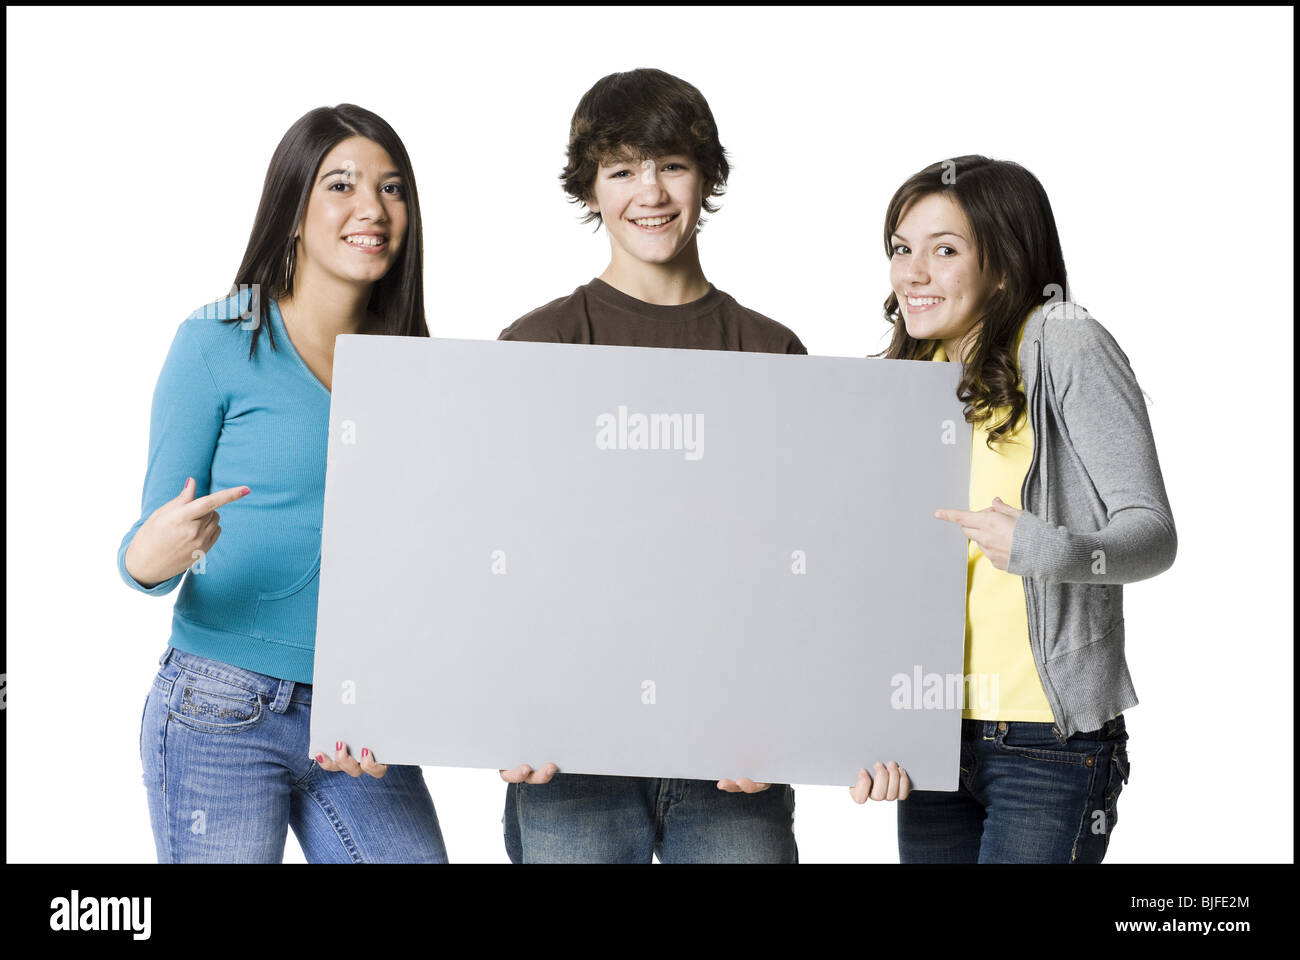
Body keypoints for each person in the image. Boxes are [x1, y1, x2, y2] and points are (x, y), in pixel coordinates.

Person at [496, 68, 905, 864]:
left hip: (734, 758)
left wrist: (800, 727)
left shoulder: (770, 350)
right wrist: (506, 713)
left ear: (707, 177)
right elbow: (502, 552)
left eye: (672, 165)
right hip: (573, 755)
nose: (649, 192)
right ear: (590, 191)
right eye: (621, 170)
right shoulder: (539, 345)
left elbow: (812, 562)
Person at [121, 104, 448, 862]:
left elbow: (427, 568)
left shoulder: (420, 369)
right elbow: (139, 561)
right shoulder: (216, 343)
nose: (372, 208)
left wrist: (394, 697)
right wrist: (160, 550)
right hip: (219, 706)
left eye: (393, 189)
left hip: (360, 718)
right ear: (293, 211)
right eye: (342, 185)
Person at [870, 155, 1176, 862]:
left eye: (943, 251)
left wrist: (1048, 548)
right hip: (931, 735)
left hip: (1046, 741)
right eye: (900, 249)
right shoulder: (907, 378)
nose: (912, 273)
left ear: (1004, 265)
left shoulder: (1063, 343)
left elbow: (1154, 534)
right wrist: (868, 720)